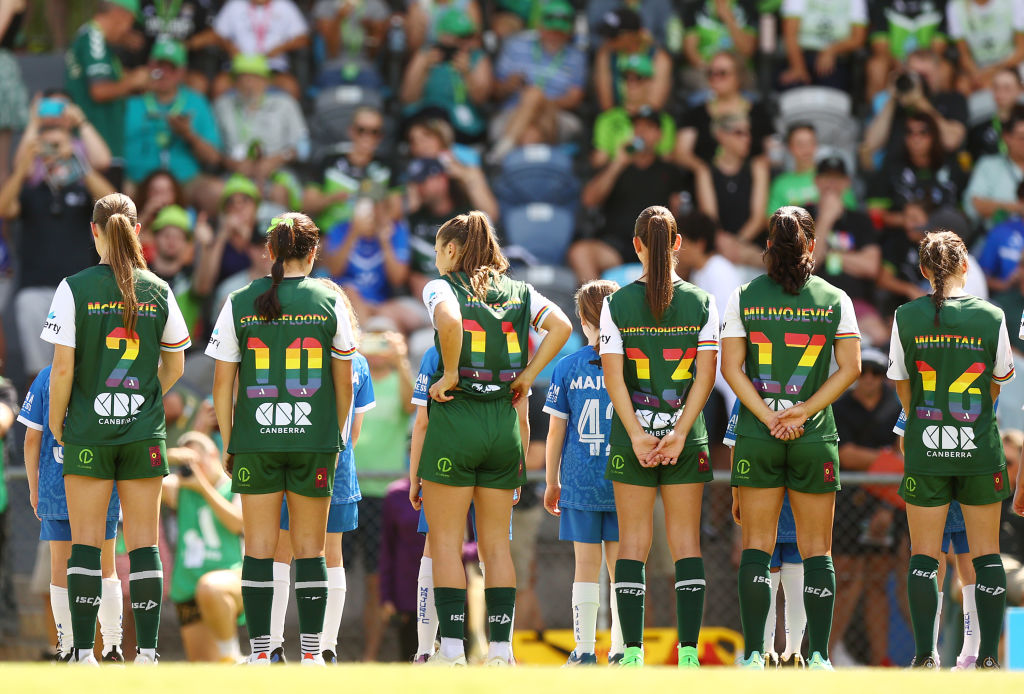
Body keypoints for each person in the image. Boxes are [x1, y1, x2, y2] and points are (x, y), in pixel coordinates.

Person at [42, 192, 191, 664]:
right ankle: (146, 653)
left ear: (94, 231)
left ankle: (83, 654)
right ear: (138, 230)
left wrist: (57, 421)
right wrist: (146, 398)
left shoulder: (73, 287)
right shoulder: (158, 289)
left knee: (86, 543)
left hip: (89, 430)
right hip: (142, 431)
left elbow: (62, 370)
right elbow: (177, 363)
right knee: (144, 543)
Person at [418, 211, 571, 666]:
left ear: (450, 250)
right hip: (503, 425)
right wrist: (527, 375)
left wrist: (449, 372)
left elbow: (448, 320)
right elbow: (561, 325)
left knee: (446, 542)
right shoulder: (520, 291)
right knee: (495, 546)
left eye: (438, 251)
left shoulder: (441, 286)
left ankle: (451, 650)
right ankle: (503, 650)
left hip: (458, 421)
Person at [206, 213, 356, 665]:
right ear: (313, 253)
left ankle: (261, 652)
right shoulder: (329, 299)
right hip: (314, 440)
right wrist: (334, 437)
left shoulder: (238, 300)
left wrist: (232, 443)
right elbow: (344, 384)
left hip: (256, 440)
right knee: (312, 551)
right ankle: (312, 654)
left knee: (259, 550)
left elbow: (221, 388)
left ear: (269, 252)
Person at [721, 205, 862, 670]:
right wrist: (804, 410)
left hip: (760, 435)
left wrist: (767, 415)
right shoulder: (835, 298)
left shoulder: (743, 295)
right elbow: (852, 368)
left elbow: (730, 368)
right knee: (817, 548)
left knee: (757, 546)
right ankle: (817, 655)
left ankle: (754, 655)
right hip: (813, 433)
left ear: (767, 247)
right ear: (812, 246)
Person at [887, 230, 1014, 668]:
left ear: (923, 271)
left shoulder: (904, 316)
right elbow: (995, 387)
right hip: (978, 448)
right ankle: (987, 661)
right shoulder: (992, 316)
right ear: (965, 266)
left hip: (927, 446)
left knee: (925, 555)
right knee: (986, 554)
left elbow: (906, 395)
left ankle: (925, 657)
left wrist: (930, 420)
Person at [599, 206, 718, 668]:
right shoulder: (702, 303)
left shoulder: (616, 304)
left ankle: (632, 651)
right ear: (678, 244)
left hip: (634, 438)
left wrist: (637, 435)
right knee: (686, 542)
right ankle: (688, 652)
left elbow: (614, 379)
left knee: (633, 544)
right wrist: (680, 432)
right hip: (685, 437)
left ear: (636, 246)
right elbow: (706, 378)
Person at [270, 282, 373, 664]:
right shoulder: (358, 362)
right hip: (337, 467)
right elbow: (355, 431)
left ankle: (273, 647)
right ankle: (325, 648)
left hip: (289, 460)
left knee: (282, 553)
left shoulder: (296, 353)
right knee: (332, 557)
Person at [543, 280, 625, 665]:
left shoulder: (567, 367)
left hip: (579, 479)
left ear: (581, 318)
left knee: (585, 568)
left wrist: (551, 480)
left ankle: (585, 650)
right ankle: (625, 651)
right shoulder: (631, 363)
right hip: (625, 480)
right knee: (623, 567)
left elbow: (557, 430)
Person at [19, 365, 124, 662]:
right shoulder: (108, 371)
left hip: (56, 483)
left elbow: (31, 439)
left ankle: (69, 649)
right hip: (102, 480)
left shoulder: (47, 375)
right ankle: (112, 648)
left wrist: (34, 487)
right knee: (106, 568)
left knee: (60, 570)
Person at [0, 118, 115, 382]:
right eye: (47, 145)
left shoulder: (83, 189)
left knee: (81, 368)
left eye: (57, 145)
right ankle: (39, 424)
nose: (52, 151)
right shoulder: (31, 190)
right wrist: (23, 168)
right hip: (34, 290)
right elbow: (4, 210)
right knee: (38, 372)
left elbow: (111, 205)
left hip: (79, 289)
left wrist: (78, 161)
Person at [341, 323, 412, 662]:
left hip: (382, 496)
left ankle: (369, 656)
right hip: (346, 486)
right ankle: (324, 648)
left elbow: (413, 406)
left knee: (374, 581)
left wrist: (401, 360)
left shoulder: (400, 379)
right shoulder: (352, 371)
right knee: (331, 571)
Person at [827, 348, 903, 667]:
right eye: (864, 371)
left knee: (876, 584)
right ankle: (826, 652)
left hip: (888, 505)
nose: (869, 377)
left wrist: (887, 502)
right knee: (844, 579)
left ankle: (879, 660)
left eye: (876, 370)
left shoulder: (896, 405)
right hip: (848, 502)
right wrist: (888, 462)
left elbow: (904, 458)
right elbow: (843, 456)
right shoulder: (840, 406)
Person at [724, 399, 806, 668]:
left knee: (774, 572)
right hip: (796, 490)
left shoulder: (751, 391)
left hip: (766, 490)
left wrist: (736, 491)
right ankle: (788, 652)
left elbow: (736, 445)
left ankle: (768, 651)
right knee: (788, 572)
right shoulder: (811, 388)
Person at [573, 106, 693, 283]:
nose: (642, 133)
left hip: (656, 246)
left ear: (659, 135)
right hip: (617, 246)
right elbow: (589, 200)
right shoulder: (617, 165)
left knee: (688, 253)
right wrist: (618, 163)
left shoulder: (671, 171)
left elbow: (680, 211)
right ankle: (600, 308)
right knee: (580, 252)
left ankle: (670, 308)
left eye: (648, 128)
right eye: (638, 127)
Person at [163, 432, 244, 663]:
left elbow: (238, 523)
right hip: (187, 584)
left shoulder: (234, 485)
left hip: (228, 578)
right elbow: (149, 480)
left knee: (210, 588)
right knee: (204, 669)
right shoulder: (181, 487)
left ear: (213, 454)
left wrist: (203, 488)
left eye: (199, 459)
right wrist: (168, 457)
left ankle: (233, 654)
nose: (195, 466)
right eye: (188, 463)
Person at [490, 0, 586, 161]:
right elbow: (495, 90)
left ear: (569, 32)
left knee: (534, 94)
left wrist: (539, 102)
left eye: (560, 31)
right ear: (540, 27)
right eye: (551, 29)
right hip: (513, 111)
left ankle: (503, 150)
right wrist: (508, 85)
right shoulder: (515, 45)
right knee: (530, 133)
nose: (554, 35)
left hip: (556, 113)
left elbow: (574, 98)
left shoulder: (576, 56)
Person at [123, 38, 222, 192]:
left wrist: (189, 135)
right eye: (159, 67)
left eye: (172, 68)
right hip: (138, 182)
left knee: (217, 191)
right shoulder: (131, 102)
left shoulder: (197, 102)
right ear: (149, 67)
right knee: (114, 195)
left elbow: (213, 158)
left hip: (184, 182)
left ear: (182, 72)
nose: (164, 74)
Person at [807, 156, 884, 346]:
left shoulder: (860, 219)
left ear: (847, 183)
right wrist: (826, 218)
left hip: (853, 302)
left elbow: (870, 266)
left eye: (837, 178)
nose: (831, 184)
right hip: (810, 304)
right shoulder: (801, 215)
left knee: (881, 335)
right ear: (816, 181)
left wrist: (830, 253)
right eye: (826, 177)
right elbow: (807, 264)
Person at [214, 54, 308, 207]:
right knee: (229, 195)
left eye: (255, 78)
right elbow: (213, 148)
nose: (248, 83)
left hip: (277, 171)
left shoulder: (285, 104)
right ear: (234, 82)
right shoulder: (222, 106)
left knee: (279, 191)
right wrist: (231, 163)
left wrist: (276, 160)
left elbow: (304, 147)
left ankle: (283, 231)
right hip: (235, 172)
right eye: (242, 78)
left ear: (266, 81)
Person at [860, 49, 968, 172]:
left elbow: (951, 141)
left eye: (924, 76)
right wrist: (892, 100)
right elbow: (870, 145)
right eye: (915, 75)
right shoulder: (895, 103)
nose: (920, 82)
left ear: (938, 73)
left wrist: (921, 102)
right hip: (896, 176)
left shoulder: (953, 100)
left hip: (938, 175)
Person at [405, 156, 500, 297]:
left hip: (467, 297)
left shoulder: (468, 217)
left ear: (442, 180)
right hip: (427, 297)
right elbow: (411, 275)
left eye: (423, 181)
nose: (420, 188)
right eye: (416, 183)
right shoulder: (413, 220)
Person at [399, 9, 492, 145]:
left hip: (460, 123)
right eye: (460, 37)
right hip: (426, 114)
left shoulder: (477, 57)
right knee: (431, 119)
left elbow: (481, 99)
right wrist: (423, 68)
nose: (465, 43)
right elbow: (407, 97)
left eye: (469, 37)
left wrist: (467, 74)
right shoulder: (426, 53)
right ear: (444, 36)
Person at [303, 105, 401, 235]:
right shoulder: (328, 161)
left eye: (374, 132)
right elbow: (307, 206)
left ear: (381, 137)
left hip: (371, 238)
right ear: (351, 131)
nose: (367, 136)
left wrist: (378, 209)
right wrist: (332, 198)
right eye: (361, 130)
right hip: (330, 236)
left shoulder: (388, 166)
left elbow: (396, 210)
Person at [866, 110, 968, 231]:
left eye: (923, 132)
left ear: (935, 135)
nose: (916, 138)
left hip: (944, 240)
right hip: (901, 239)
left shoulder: (952, 167)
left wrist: (932, 222)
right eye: (910, 132)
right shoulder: (891, 168)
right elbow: (874, 213)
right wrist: (908, 220)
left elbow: (966, 214)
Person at [674, 51, 773, 171]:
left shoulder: (758, 112)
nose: (715, 78)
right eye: (710, 73)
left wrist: (757, 171)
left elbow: (773, 153)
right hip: (704, 186)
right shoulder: (696, 113)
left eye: (722, 73)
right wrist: (703, 171)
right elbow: (681, 154)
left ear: (739, 76)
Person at [695, 113, 769, 268]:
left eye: (748, 133)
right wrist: (724, 244)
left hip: (749, 246)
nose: (747, 139)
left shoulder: (757, 167)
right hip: (718, 247)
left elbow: (758, 218)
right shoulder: (705, 171)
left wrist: (736, 244)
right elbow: (710, 219)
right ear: (721, 135)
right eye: (739, 133)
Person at [591, 54, 676, 168]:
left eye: (638, 78)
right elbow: (598, 161)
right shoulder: (607, 118)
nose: (631, 83)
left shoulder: (664, 121)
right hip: (617, 177)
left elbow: (667, 160)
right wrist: (622, 154)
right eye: (625, 77)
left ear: (650, 82)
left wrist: (647, 147)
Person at [211, 0, 309, 99]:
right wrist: (229, 46)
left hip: (271, 66)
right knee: (219, 85)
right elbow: (216, 35)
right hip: (240, 65)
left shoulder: (284, 5)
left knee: (291, 87)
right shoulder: (234, 4)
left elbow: (303, 39)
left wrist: (280, 48)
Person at [194, 174, 261, 298]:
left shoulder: (264, 236)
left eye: (245, 200)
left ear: (255, 207)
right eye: (231, 202)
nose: (238, 206)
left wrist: (246, 236)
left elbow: (269, 270)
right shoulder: (215, 238)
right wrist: (221, 236)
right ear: (224, 210)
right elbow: (203, 288)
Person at [593, 8, 672, 112]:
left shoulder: (659, 58)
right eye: (606, 35)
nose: (607, 40)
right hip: (616, 118)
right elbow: (606, 104)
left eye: (613, 36)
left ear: (632, 35)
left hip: (648, 121)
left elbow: (655, 104)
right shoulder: (605, 55)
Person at [766, 124, 854, 217]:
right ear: (790, 148)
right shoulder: (780, 184)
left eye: (810, 143)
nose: (806, 149)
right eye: (800, 144)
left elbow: (850, 213)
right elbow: (772, 223)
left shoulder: (833, 176)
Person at [865, 0, 947, 100]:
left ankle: (936, 111)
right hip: (894, 61)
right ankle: (878, 112)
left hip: (926, 61)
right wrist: (903, 65)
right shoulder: (882, 2)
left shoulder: (940, 3)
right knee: (876, 66)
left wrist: (920, 65)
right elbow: (880, 47)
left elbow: (938, 48)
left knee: (944, 69)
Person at [779, 0, 867, 91]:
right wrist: (798, 68)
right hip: (799, 56)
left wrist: (831, 50)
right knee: (794, 88)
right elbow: (790, 34)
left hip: (837, 60)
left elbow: (858, 38)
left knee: (832, 89)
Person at [964, 104, 1024, 229]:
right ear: (1007, 137)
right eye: (1021, 138)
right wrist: (1018, 208)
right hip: (996, 240)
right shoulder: (988, 165)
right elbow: (974, 204)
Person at [947, 0, 1024, 92]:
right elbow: (964, 55)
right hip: (979, 68)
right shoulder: (955, 6)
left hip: (1012, 63)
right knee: (962, 86)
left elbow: (1021, 51)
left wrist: (995, 71)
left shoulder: (1015, 1)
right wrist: (978, 75)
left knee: (1009, 82)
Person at [681, 0, 757, 78]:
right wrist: (713, 71)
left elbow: (747, 50)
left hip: (738, 70)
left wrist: (727, 16)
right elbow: (691, 51)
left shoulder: (747, 5)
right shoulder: (695, 6)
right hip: (704, 70)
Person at [968, 67, 1024, 162]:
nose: (1000, 93)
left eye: (1007, 88)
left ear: (1020, 89)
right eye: (996, 87)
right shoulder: (978, 129)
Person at [978, 180, 1024, 294]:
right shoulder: (1001, 231)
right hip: (1010, 300)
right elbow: (981, 276)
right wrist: (1006, 284)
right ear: (1020, 201)